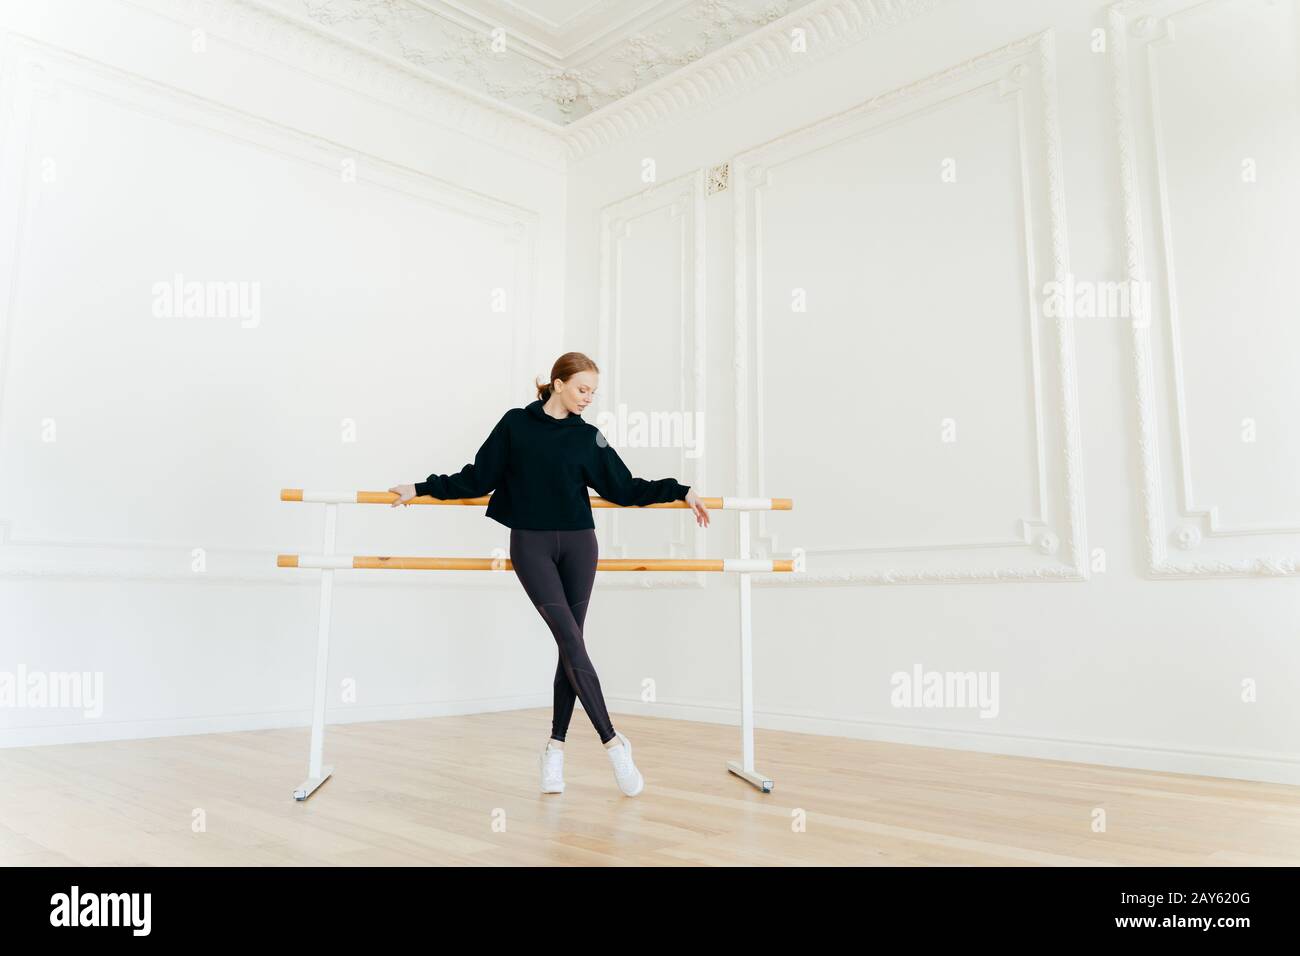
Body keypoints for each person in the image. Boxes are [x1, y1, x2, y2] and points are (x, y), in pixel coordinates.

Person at [390, 351, 709, 797]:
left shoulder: (589, 437)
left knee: (570, 644)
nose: (587, 399)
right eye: (582, 389)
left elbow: (623, 488)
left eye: (593, 393)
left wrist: (681, 490)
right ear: (558, 383)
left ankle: (554, 750)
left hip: (580, 544)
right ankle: (614, 745)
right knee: (570, 638)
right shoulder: (515, 425)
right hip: (531, 544)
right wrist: (420, 488)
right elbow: (477, 478)